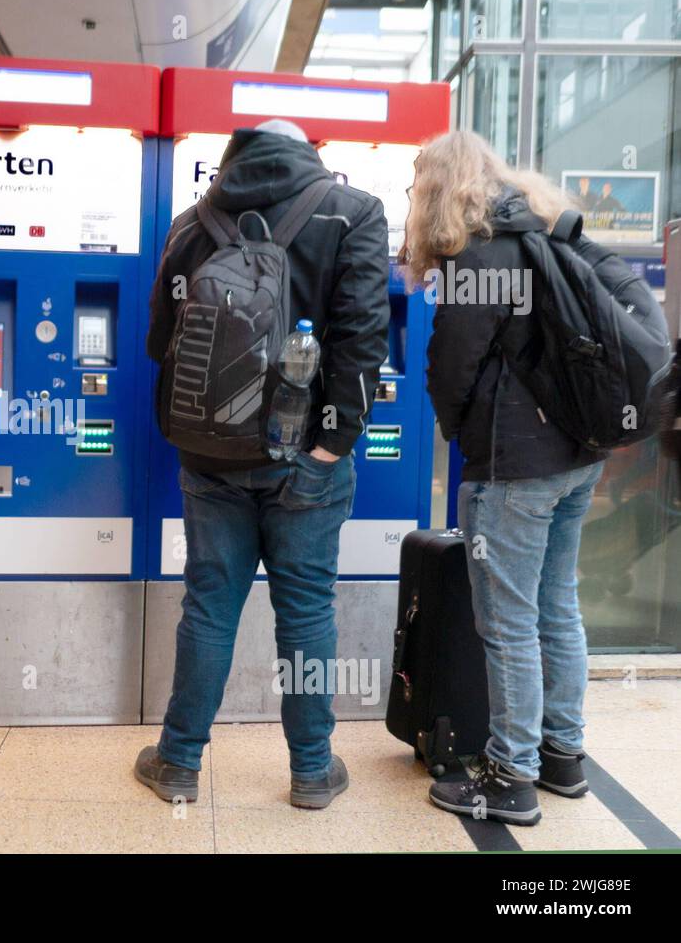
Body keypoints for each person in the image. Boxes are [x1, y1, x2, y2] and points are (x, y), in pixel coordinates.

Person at [402, 130, 667, 825]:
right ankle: (562, 757)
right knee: (556, 609)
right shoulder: (548, 233)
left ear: (439, 189)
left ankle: (510, 778)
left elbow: (450, 366)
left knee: (509, 623)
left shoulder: (481, 253)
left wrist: (461, 431)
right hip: (577, 460)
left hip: (515, 470)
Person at [135, 118, 391, 808]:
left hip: (209, 456)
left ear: (233, 158)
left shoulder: (191, 222)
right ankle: (311, 771)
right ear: (309, 155)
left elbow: (160, 339)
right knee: (306, 612)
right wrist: (331, 444)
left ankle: (179, 761)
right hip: (306, 457)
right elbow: (365, 341)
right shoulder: (354, 213)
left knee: (210, 607)